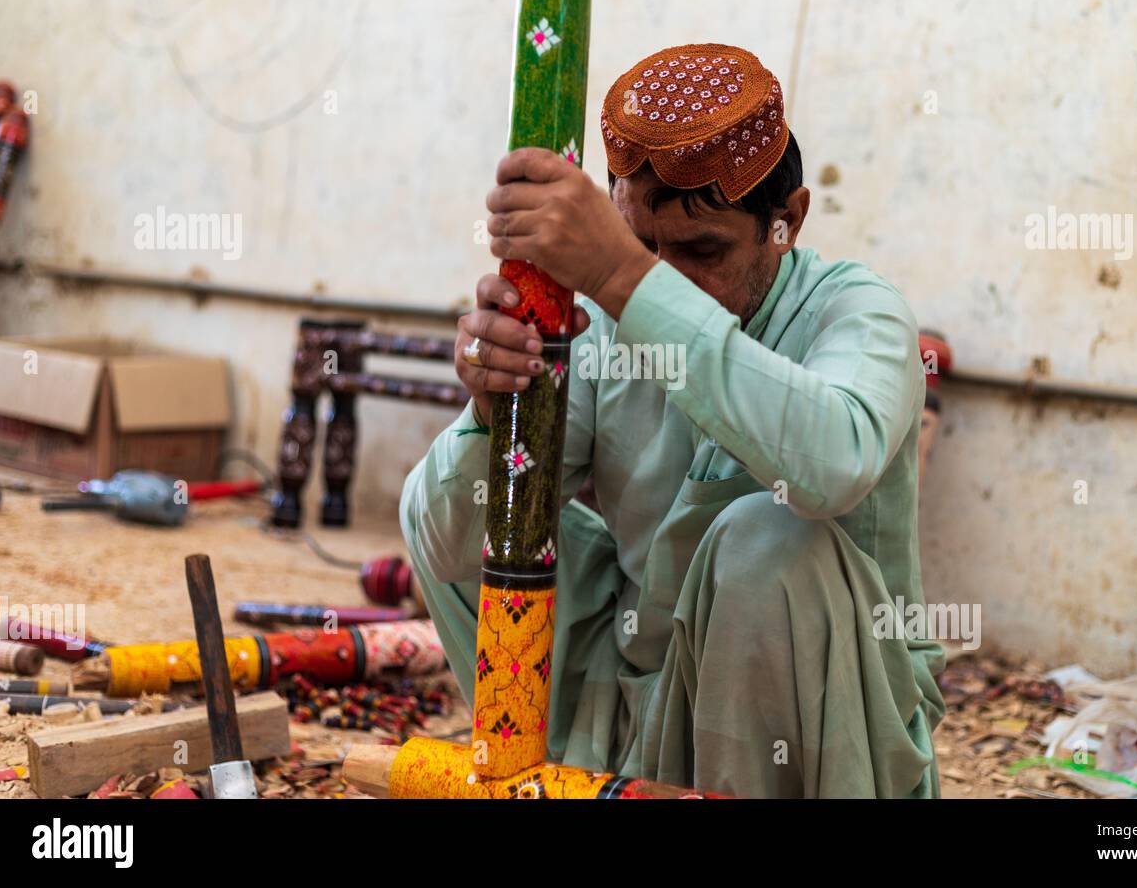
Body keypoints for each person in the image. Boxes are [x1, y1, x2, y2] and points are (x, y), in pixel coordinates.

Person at [401, 43, 944, 797]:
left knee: (768, 544)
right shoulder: (599, 324)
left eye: (699, 250)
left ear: (785, 221)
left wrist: (625, 273)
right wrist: (496, 415)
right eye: (641, 246)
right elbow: (446, 549)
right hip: (635, 716)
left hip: (827, 747)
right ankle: (568, 775)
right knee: (445, 498)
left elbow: (832, 464)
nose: (665, 276)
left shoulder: (856, 311)